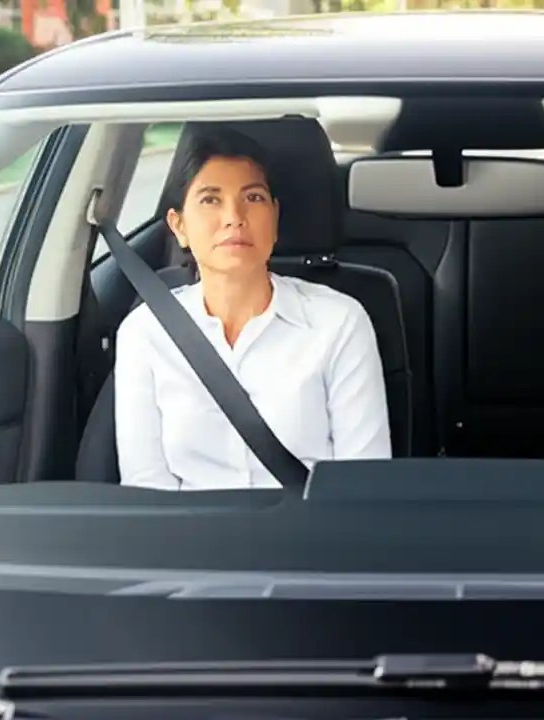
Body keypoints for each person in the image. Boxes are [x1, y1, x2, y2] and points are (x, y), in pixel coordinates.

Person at [114, 127, 391, 490]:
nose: (234, 217)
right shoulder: (145, 333)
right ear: (179, 226)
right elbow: (146, 489)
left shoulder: (338, 322)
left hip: (312, 539)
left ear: (275, 218)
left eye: (254, 197)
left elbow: (363, 483)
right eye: (211, 199)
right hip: (188, 541)